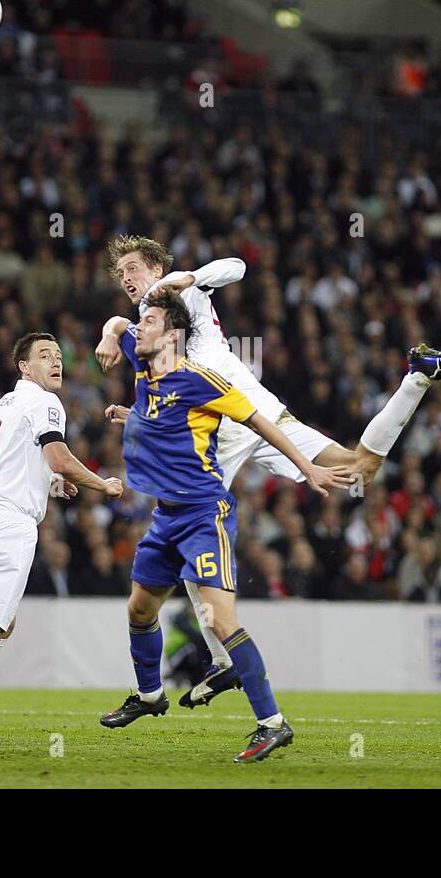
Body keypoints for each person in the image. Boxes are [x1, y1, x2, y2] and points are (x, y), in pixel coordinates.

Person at [95, 235, 441, 706]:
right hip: (252, 413)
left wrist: (188, 276)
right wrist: (112, 333)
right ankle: (418, 377)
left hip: (231, 421)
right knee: (360, 470)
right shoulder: (149, 320)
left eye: (133, 268)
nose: (127, 279)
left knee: (188, 530)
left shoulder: (179, 296)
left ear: (156, 267)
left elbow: (236, 264)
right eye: (121, 274)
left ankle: (222, 665)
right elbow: (125, 330)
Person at [98, 292, 354, 762]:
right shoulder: (143, 360)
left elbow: (261, 423)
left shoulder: (200, 381)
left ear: (172, 335)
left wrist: (308, 467)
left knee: (219, 619)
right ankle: (152, 695)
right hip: (165, 518)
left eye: (148, 321)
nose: (139, 328)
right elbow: (116, 322)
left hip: (203, 514)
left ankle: (272, 723)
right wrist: (110, 339)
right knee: (138, 610)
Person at [0, 332, 123, 750]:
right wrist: (99, 484)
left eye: (59, 355)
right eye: (45, 356)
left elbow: (12, 465)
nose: (57, 362)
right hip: (9, 528)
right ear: (24, 367)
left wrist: (52, 485)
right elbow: (59, 457)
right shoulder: (45, 402)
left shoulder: (1, 406)